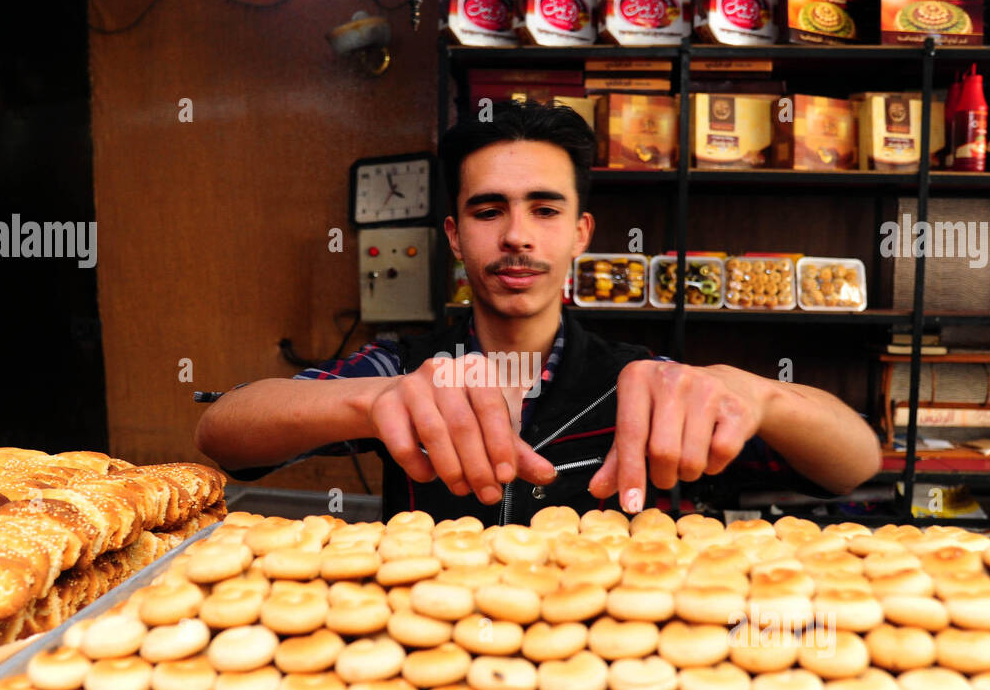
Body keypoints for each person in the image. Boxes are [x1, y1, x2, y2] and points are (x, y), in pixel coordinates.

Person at [195, 100, 882, 522]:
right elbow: (222, 434)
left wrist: (762, 396)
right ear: (456, 237)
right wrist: (377, 400)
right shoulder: (407, 366)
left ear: (581, 233)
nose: (517, 235)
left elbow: (855, 464)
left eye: (545, 210)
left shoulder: (645, 380)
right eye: (488, 210)